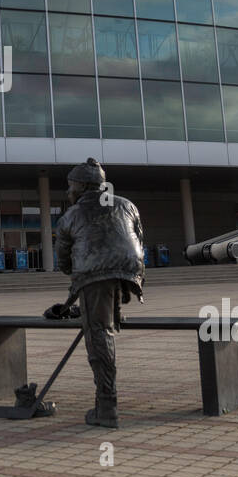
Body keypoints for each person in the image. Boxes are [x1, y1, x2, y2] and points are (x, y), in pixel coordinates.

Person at [53, 158, 145, 429]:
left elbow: (64, 260)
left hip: (95, 275)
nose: (68, 192)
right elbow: (138, 242)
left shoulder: (70, 215)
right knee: (105, 314)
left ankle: (106, 406)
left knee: (98, 332)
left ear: (81, 186)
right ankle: (114, 313)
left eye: (70, 186)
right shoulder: (127, 204)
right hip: (129, 270)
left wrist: (75, 277)